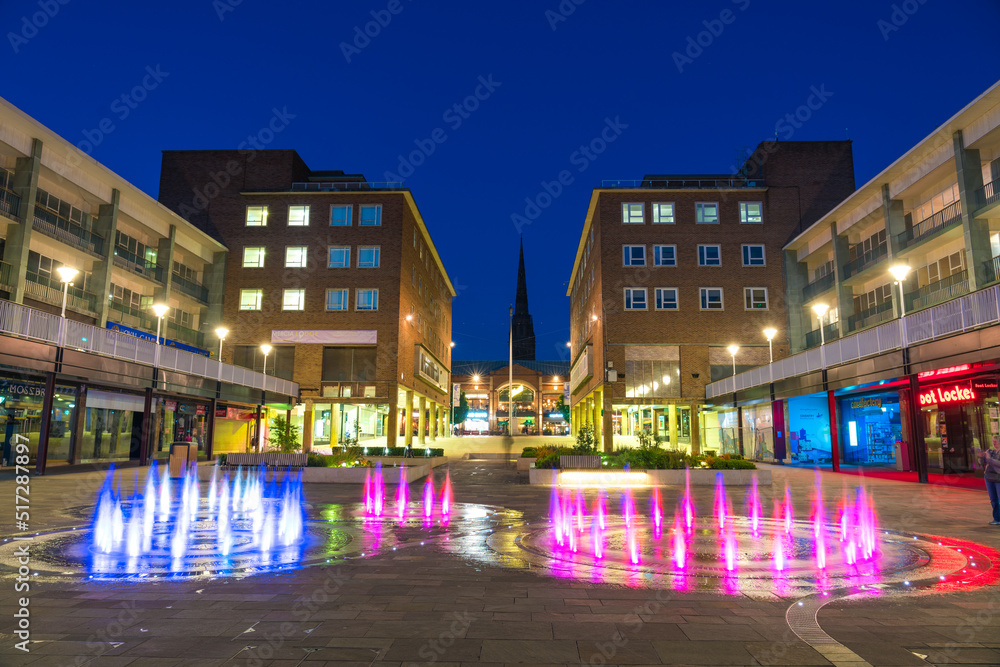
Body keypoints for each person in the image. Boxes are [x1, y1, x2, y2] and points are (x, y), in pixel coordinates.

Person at [978, 437, 1000, 525]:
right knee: (993, 499)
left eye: (996, 441)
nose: (994, 443)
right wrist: (981, 457)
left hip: (998, 478)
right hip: (989, 477)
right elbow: (982, 463)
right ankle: (997, 518)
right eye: (993, 441)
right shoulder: (990, 452)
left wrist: (989, 459)